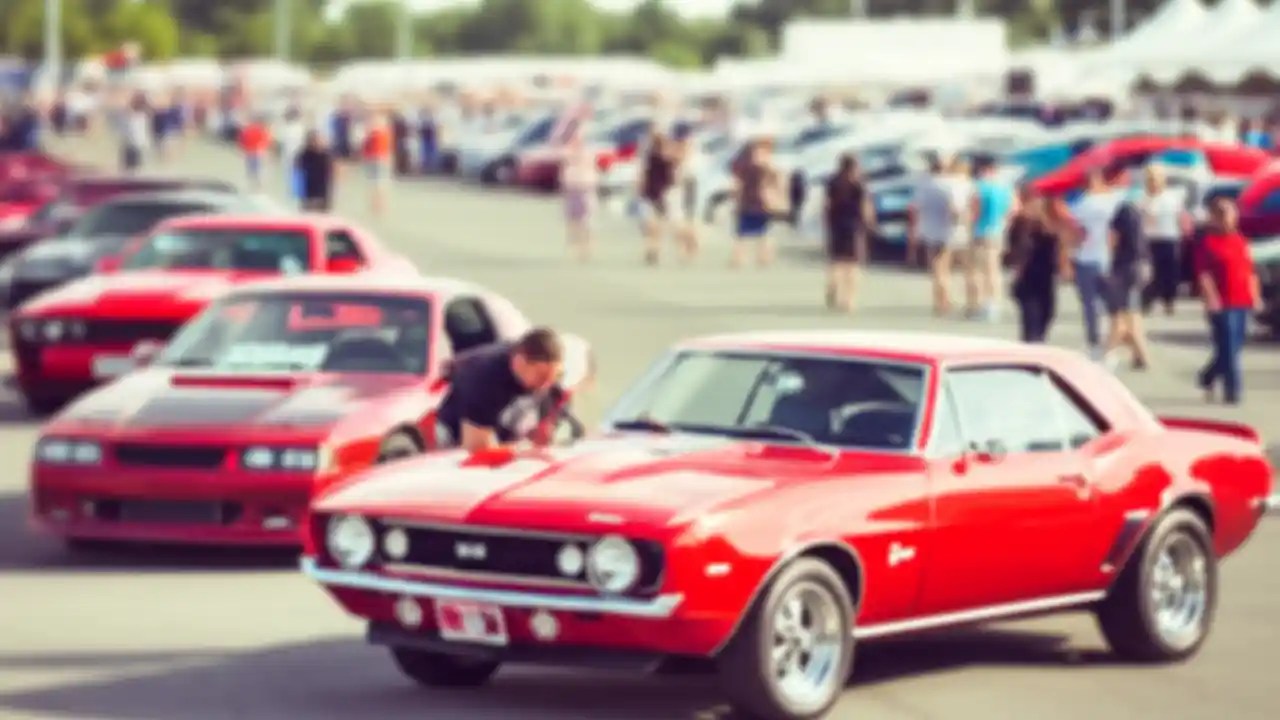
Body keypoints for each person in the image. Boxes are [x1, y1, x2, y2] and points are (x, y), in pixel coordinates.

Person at [434, 328, 565, 451]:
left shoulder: (549, 384)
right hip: (456, 438)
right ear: (520, 361)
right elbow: (477, 448)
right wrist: (523, 453)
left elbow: (547, 432)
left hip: (506, 437)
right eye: (541, 376)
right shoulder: (484, 377)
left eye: (553, 377)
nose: (547, 385)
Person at [1194, 198, 1261, 405]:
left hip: (1242, 300)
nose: (1227, 218)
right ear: (1214, 217)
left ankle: (1207, 376)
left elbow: (1250, 271)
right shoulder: (1208, 242)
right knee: (1229, 347)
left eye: (1230, 214)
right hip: (1222, 302)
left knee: (1234, 346)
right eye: (1222, 214)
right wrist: (1211, 298)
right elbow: (1204, 275)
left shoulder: (1240, 240)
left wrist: (1255, 295)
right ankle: (1233, 391)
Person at [1069, 168, 1123, 360]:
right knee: (1105, 305)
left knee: (1091, 304)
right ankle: (1105, 344)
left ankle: (1096, 343)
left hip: (1089, 257)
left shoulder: (1081, 204)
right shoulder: (1114, 201)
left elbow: (1076, 233)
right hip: (1100, 258)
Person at [1103, 196, 1152, 369]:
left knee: (1122, 313)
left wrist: (1108, 264)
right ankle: (1140, 355)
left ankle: (1108, 352)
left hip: (1123, 267)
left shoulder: (1120, 216)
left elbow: (1112, 241)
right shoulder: (1139, 221)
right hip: (1139, 266)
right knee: (1133, 313)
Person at [1010, 193, 1067, 343]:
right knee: (1034, 321)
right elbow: (1017, 250)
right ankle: (1033, 346)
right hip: (1030, 278)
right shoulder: (1022, 223)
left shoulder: (1049, 226)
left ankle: (1035, 344)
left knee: (1045, 315)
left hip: (1043, 277)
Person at [823, 153, 873, 312]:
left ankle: (833, 285)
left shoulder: (832, 182)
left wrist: (826, 221)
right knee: (853, 264)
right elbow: (865, 207)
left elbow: (826, 204)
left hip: (836, 224)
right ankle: (848, 301)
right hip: (853, 226)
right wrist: (870, 224)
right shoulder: (859, 184)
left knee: (836, 261)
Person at [1137, 164, 1189, 315]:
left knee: (1170, 272)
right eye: (1150, 179)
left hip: (1169, 238)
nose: (1153, 182)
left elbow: (1180, 217)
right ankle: (1147, 301)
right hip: (1149, 239)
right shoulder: (1142, 199)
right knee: (1149, 273)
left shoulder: (1172, 197)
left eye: (1156, 179)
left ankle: (1169, 301)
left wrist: (1183, 233)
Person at [972, 158, 1018, 321]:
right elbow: (1014, 209)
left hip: (981, 230)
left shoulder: (980, 186)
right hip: (999, 230)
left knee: (984, 269)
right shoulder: (1005, 186)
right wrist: (1006, 224)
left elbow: (975, 210)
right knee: (994, 268)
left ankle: (987, 305)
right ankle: (994, 304)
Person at [730, 138, 783, 269]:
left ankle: (740, 259)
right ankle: (763, 258)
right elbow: (776, 179)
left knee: (743, 234)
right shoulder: (764, 167)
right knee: (762, 233)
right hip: (759, 202)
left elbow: (737, 185)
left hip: (750, 202)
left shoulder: (744, 167)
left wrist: (736, 200)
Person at [637, 132, 676, 265]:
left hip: (650, 194)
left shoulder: (649, 158)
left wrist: (640, 190)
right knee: (658, 226)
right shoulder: (668, 161)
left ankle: (651, 249)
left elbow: (642, 176)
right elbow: (672, 180)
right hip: (661, 196)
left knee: (651, 226)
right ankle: (655, 250)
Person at [560, 130, 597, 262]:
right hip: (572, 188)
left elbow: (591, 168)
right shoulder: (568, 153)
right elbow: (564, 166)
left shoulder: (587, 153)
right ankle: (575, 245)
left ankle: (586, 246)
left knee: (585, 220)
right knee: (572, 219)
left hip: (585, 187)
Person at [295, 130, 336, 211]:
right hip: (308, 193)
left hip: (323, 193)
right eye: (315, 140)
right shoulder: (304, 154)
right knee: (309, 212)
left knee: (322, 213)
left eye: (319, 140)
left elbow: (331, 171)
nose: (318, 143)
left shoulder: (326, 154)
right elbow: (298, 170)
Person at [362, 112, 393, 216]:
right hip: (374, 159)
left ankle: (380, 205)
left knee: (379, 183)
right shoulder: (374, 133)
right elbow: (366, 147)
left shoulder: (380, 133)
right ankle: (376, 204)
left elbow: (383, 148)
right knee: (374, 183)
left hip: (379, 159)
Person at [238, 114, 271, 191]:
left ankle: (250, 185)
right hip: (258, 152)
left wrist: (243, 149)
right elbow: (266, 141)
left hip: (249, 152)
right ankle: (259, 186)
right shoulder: (262, 130)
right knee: (259, 169)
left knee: (250, 169)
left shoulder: (247, 130)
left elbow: (242, 141)